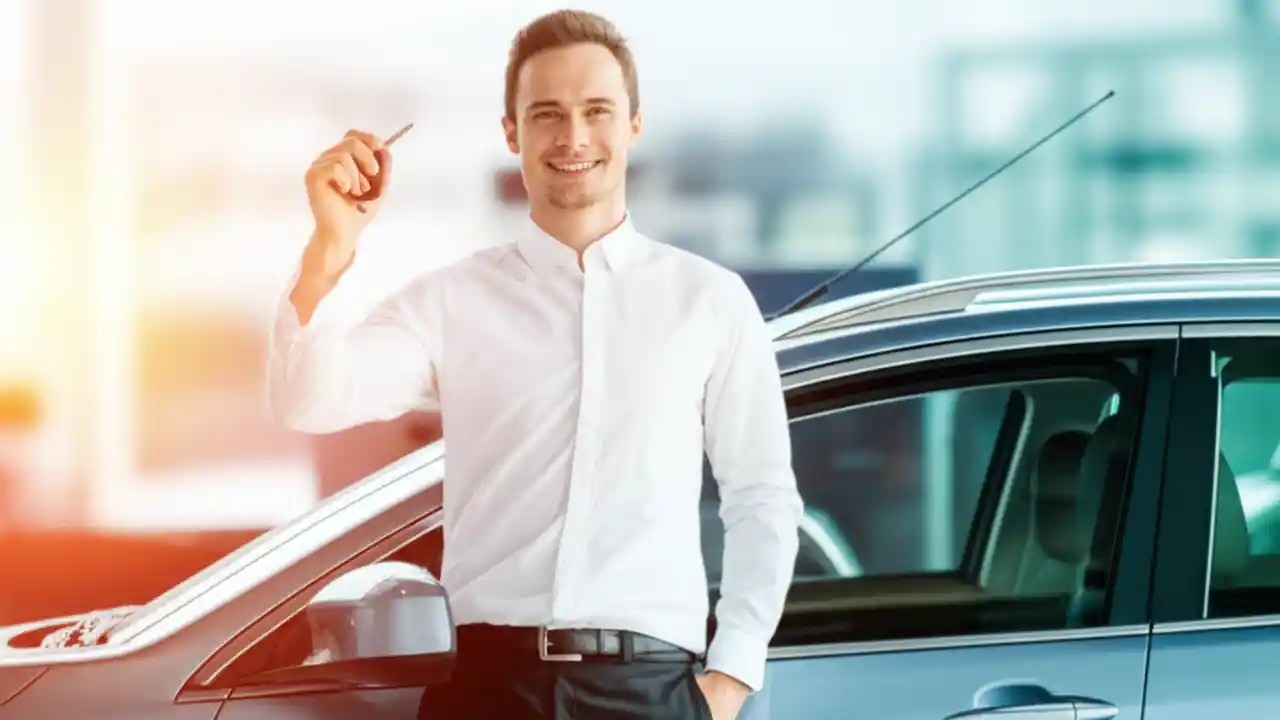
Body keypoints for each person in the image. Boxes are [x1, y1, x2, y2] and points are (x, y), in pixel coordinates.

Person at [268, 9, 802, 719]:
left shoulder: (709, 301)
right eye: (546, 113)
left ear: (633, 125)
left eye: (597, 111)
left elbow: (762, 495)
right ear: (512, 132)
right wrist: (329, 250)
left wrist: (731, 678)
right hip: (487, 687)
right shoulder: (451, 301)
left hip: (652, 689)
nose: (573, 136)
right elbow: (309, 400)